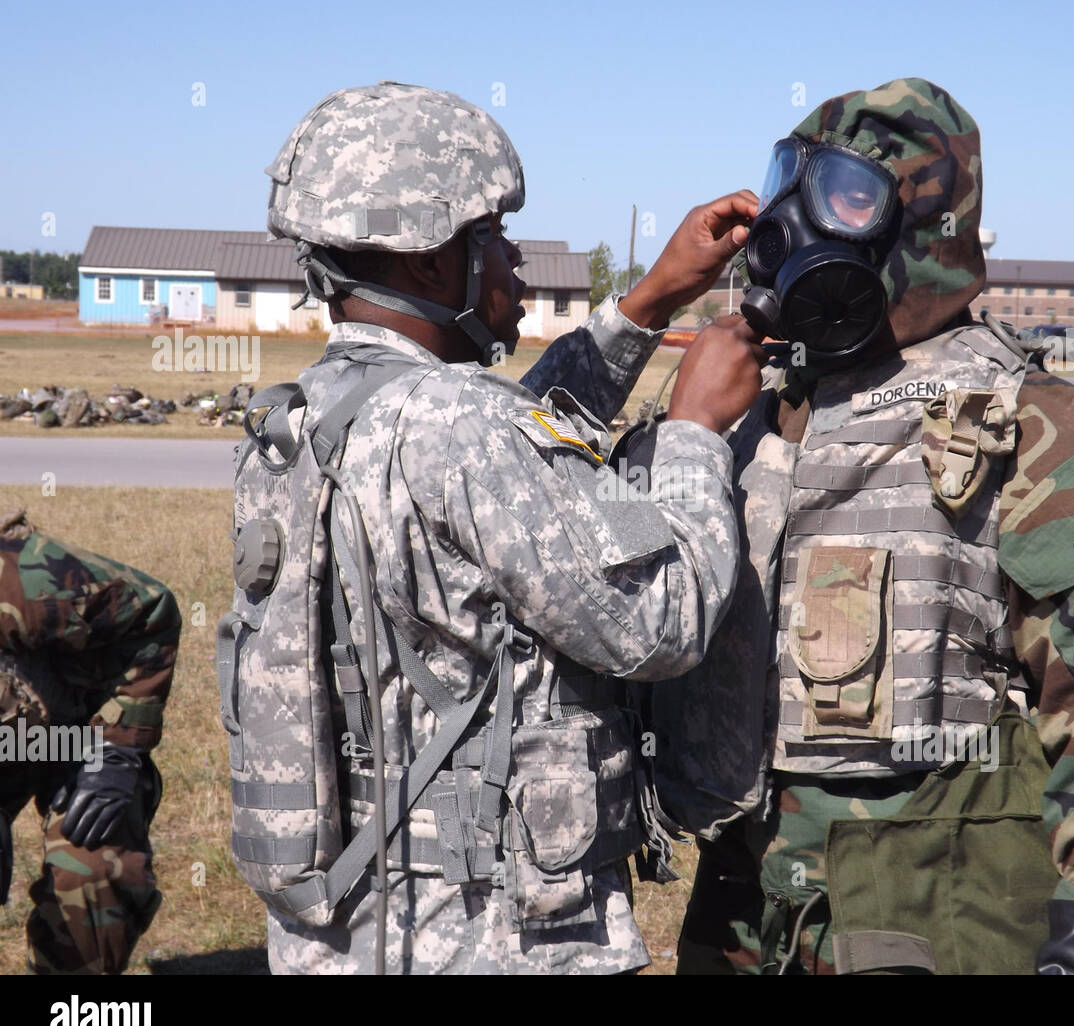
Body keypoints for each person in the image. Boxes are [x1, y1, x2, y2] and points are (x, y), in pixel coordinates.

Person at [634, 78, 1074, 975]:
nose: (800, 225)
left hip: (940, 914)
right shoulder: (747, 407)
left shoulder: (1035, 426)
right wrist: (644, 315)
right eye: (793, 185)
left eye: (847, 197)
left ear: (928, 222)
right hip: (744, 913)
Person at [239, 81, 764, 974]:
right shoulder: (462, 430)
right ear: (432, 265)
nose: (517, 261)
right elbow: (660, 622)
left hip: (353, 928)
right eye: (495, 237)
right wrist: (692, 437)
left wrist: (647, 304)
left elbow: (519, 448)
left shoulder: (303, 419)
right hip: (487, 939)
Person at [0, 507, 179, 974]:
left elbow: (150, 611)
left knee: (97, 865)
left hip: (74, 729)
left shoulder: (23, 581)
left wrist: (116, 749)